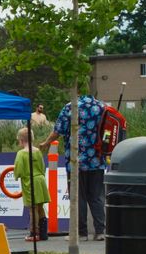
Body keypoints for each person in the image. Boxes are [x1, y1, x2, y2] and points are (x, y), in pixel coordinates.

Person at [55, 93, 109, 241]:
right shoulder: (101, 107)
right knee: (97, 197)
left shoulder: (70, 107)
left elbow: (58, 130)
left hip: (75, 161)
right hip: (97, 160)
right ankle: (100, 232)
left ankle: (81, 233)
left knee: (78, 198)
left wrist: (46, 143)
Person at [13, 125, 51, 240]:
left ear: (21, 140)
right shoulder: (38, 151)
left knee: (32, 208)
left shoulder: (21, 153)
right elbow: (42, 166)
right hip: (40, 180)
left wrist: (16, 176)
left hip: (30, 181)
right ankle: (43, 233)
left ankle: (34, 233)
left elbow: (18, 169)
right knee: (40, 207)